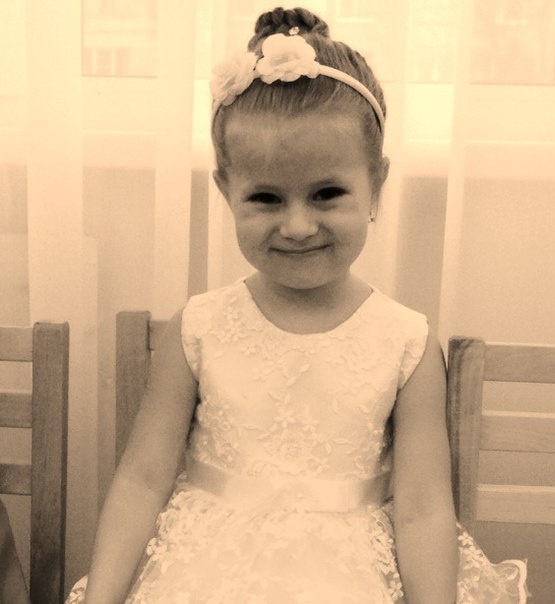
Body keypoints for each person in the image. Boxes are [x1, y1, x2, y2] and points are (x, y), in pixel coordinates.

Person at [67, 7, 528, 603]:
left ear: (376, 184)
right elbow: (142, 479)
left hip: (349, 578)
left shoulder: (406, 342)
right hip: (200, 573)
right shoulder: (199, 328)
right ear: (226, 191)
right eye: (266, 197)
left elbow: (422, 507)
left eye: (327, 193)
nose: (298, 225)